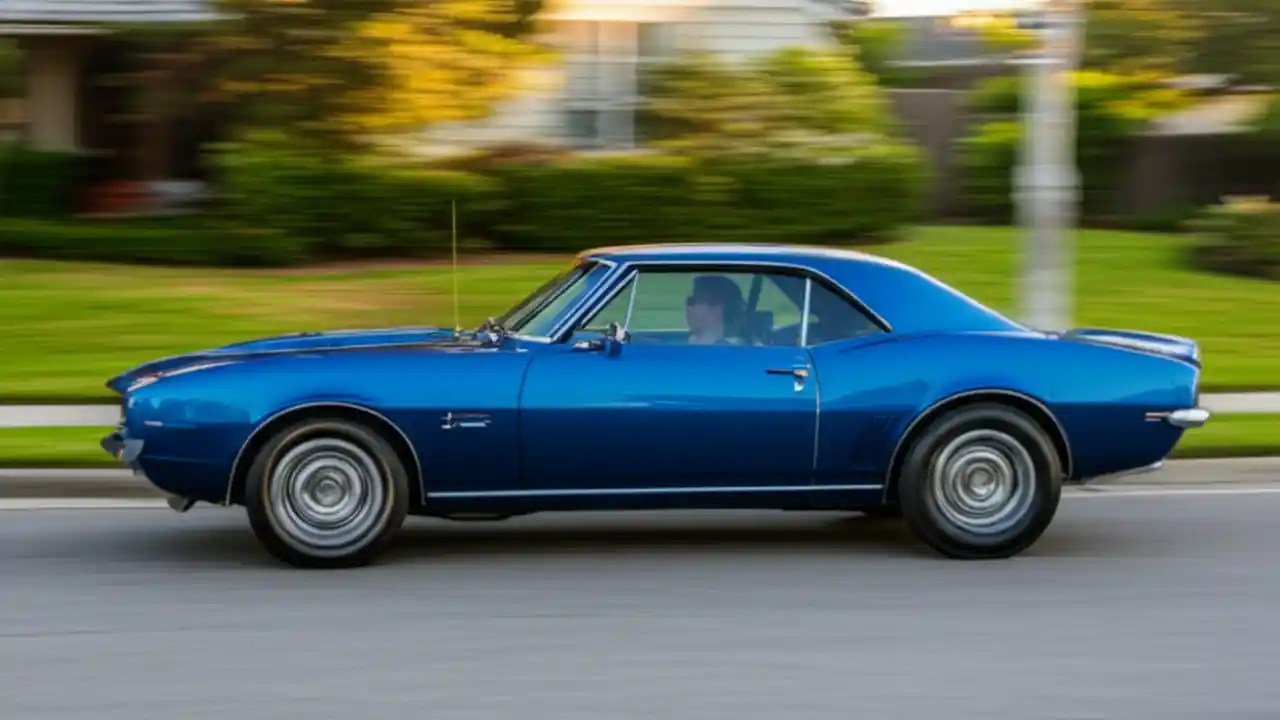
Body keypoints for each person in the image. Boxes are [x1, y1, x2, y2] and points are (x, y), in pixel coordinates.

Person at [685, 275, 745, 345]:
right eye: (689, 302)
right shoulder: (684, 347)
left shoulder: (742, 351)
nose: (688, 307)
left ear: (717, 308)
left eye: (693, 302)